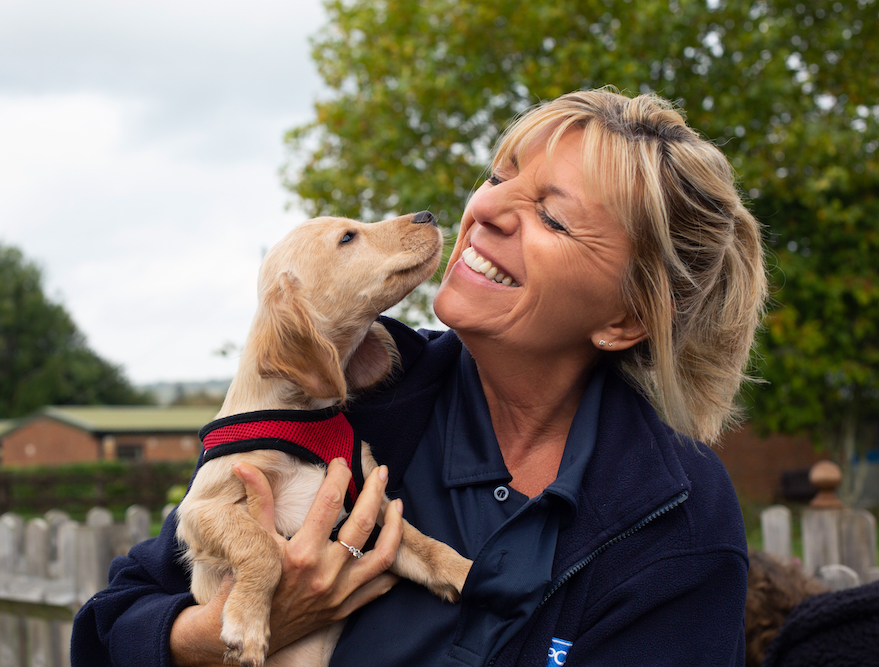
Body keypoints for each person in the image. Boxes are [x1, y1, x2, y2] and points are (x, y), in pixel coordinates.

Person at [71, 87, 767, 666]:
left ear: (624, 319)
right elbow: (110, 627)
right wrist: (213, 632)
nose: (484, 209)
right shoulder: (345, 397)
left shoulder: (676, 520)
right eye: (498, 176)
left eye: (551, 218)